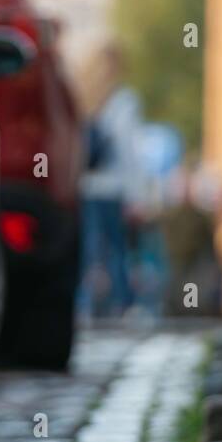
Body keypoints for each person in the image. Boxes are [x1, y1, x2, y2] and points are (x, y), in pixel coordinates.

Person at [79, 84, 144, 318]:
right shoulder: (123, 102)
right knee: (118, 250)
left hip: (86, 187)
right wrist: (136, 195)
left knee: (89, 250)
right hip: (113, 188)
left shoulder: (81, 93)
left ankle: (84, 305)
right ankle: (122, 305)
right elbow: (129, 151)